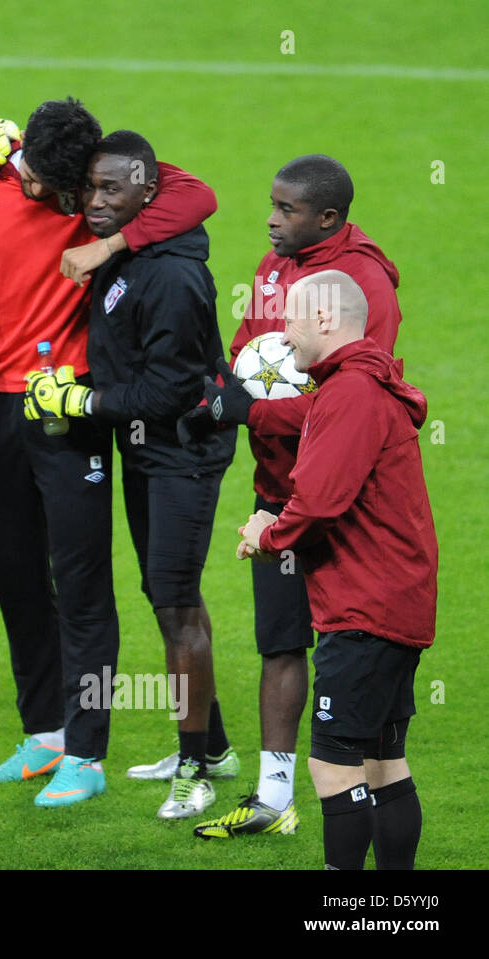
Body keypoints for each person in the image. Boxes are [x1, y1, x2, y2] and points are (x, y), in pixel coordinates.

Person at [0, 101, 221, 807]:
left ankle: (87, 752)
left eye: (61, 185)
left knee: (80, 582)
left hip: (69, 406)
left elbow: (197, 194)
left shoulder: (97, 199)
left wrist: (105, 245)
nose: (44, 192)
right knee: (14, 574)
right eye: (35, 176)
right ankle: (43, 735)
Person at [181, 155, 402, 839]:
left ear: (327, 217)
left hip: (341, 504)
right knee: (280, 640)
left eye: (286, 210)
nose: (271, 220)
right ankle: (275, 799)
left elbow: (350, 403)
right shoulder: (274, 267)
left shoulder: (365, 283)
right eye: (272, 206)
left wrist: (247, 414)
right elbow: (248, 352)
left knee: (350, 643)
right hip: (278, 489)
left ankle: (370, 784)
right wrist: (219, 392)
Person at [25, 130, 236, 819]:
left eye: (110, 189)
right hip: (151, 450)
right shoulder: (134, 251)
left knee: (175, 603)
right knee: (167, 591)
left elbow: (168, 392)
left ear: (148, 192)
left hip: (184, 450)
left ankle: (196, 770)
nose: (94, 202)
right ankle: (218, 747)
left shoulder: (172, 276)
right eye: (88, 188)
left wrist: (79, 400)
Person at [236, 272, 435, 869]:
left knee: (333, 762)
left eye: (291, 319)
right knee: (382, 762)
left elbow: (320, 502)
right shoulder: (367, 385)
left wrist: (265, 533)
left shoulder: (348, 393)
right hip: (394, 603)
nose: (283, 335)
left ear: (324, 320)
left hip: (364, 611)